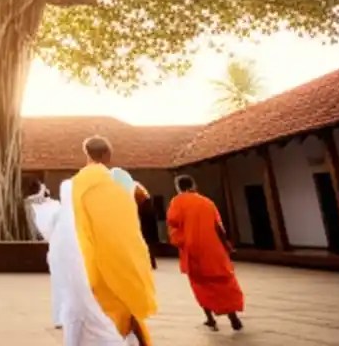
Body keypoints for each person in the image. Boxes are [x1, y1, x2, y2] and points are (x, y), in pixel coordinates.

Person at [72, 136, 158, 345]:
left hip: (92, 255)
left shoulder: (77, 182)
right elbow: (142, 201)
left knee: (107, 304)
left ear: (86, 154)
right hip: (123, 250)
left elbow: (76, 220)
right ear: (107, 155)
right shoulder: (121, 179)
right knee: (127, 300)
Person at [166, 174, 245, 332]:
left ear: (178, 187)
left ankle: (210, 319)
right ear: (193, 185)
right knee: (224, 284)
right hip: (214, 250)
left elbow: (173, 224)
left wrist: (179, 239)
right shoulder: (207, 202)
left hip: (194, 251)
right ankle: (233, 317)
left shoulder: (177, 202)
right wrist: (227, 246)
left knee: (201, 286)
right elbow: (219, 227)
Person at [26, 181, 65, 331]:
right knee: (61, 284)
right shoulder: (46, 209)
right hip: (59, 249)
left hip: (61, 248)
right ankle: (60, 317)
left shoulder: (51, 206)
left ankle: (62, 317)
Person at [134, 183, 160, 270]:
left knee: (145, 243)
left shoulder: (140, 201)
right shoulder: (147, 202)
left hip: (145, 224)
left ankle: (148, 262)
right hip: (149, 225)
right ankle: (150, 262)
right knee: (149, 243)